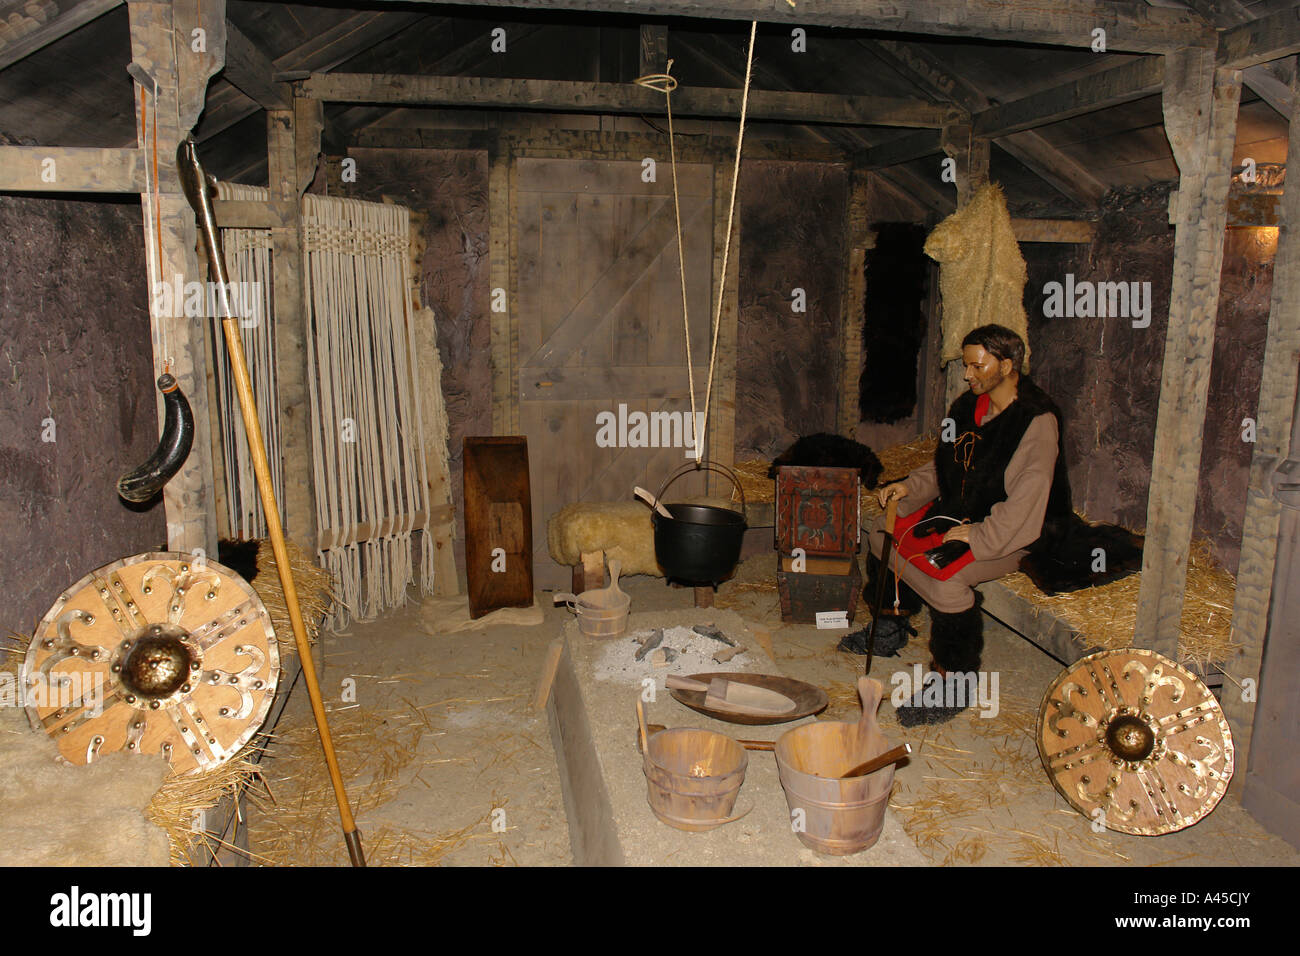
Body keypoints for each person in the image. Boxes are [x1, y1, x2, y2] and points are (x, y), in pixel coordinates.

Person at [868, 324, 1064, 726]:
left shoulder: (1035, 421)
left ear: (1007, 365)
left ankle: (953, 681)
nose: (967, 374)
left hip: (1012, 531)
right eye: (967, 365)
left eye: (977, 365)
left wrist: (980, 535)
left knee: (946, 578)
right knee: (879, 532)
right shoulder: (964, 408)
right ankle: (891, 623)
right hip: (959, 511)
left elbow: (1030, 496)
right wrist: (908, 487)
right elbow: (942, 463)